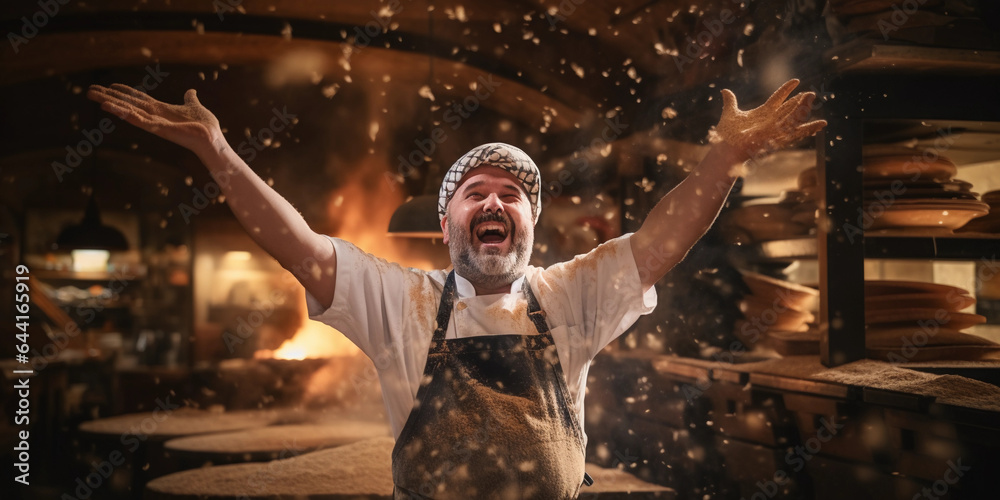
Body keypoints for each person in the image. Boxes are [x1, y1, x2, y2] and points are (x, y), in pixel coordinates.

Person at [87, 79, 825, 499]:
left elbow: (664, 241)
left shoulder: (569, 296)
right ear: (447, 223)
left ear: (534, 221)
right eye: (475, 191)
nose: (495, 203)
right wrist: (218, 154)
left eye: (513, 192)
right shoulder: (401, 304)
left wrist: (723, 159)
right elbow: (301, 249)